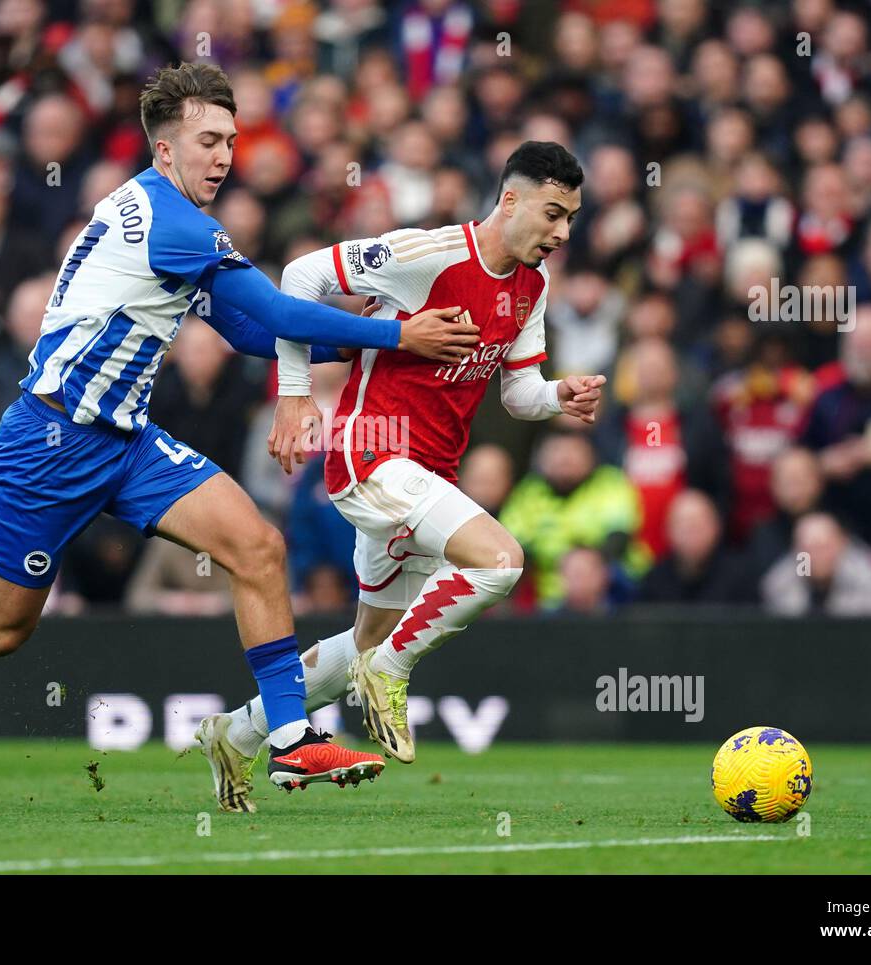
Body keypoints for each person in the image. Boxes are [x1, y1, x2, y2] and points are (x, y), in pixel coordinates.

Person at [0, 62, 477, 801]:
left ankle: (291, 737)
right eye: (208, 141)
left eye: (230, 140)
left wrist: (357, 345)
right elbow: (282, 316)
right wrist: (400, 335)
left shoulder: (165, 211)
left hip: (125, 443)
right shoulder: (176, 223)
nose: (223, 156)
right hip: (50, 441)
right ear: (166, 149)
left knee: (255, 546)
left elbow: (247, 332)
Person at [201, 141, 605, 811]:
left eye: (572, 220)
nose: (563, 233)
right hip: (371, 457)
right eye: (554, 214)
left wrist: (560, 396)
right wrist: (296, 392)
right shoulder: (429, 255)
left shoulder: (532, 286)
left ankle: (236, 734)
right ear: (511, 200)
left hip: (426, 477)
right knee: (501, 562)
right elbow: (301, 275)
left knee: (368, 635)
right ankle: (389, 672)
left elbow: (518, 392)